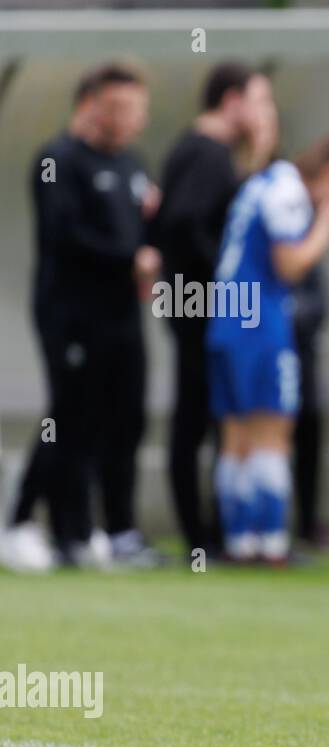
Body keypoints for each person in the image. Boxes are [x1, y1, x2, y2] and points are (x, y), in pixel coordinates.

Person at [2, 62, 161, 572]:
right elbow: (65, 235)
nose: (133, 120)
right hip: (71, 314)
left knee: (121, 418)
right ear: (90, 104)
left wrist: (151, 257)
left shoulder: (134, 165)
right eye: (121, 108)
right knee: (68, 417)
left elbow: (147, 230)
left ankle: (103, 531)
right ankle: (21, 521)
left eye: (138, 109)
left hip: (123, 316)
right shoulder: (58, 160)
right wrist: (129, 259)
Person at [207, 130, 329, 564]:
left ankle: (239, 542)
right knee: (273, 432)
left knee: (236, 435)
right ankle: (271, 543)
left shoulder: (261, 182)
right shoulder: (288, 190)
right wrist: (325, 229)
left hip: (226, 317)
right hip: (259, 322)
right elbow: (290, 263)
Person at [151, 61, 276, 560]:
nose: (268, 112)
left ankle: (215, 531)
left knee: (207, 414)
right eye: (260, 100)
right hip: (199, 303)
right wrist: (224, 280)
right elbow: (183, 224)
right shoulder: (206, 155)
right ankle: (201, 537)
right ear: (231, 101)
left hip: (194, 299)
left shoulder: (206, 151)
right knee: (198, 416)